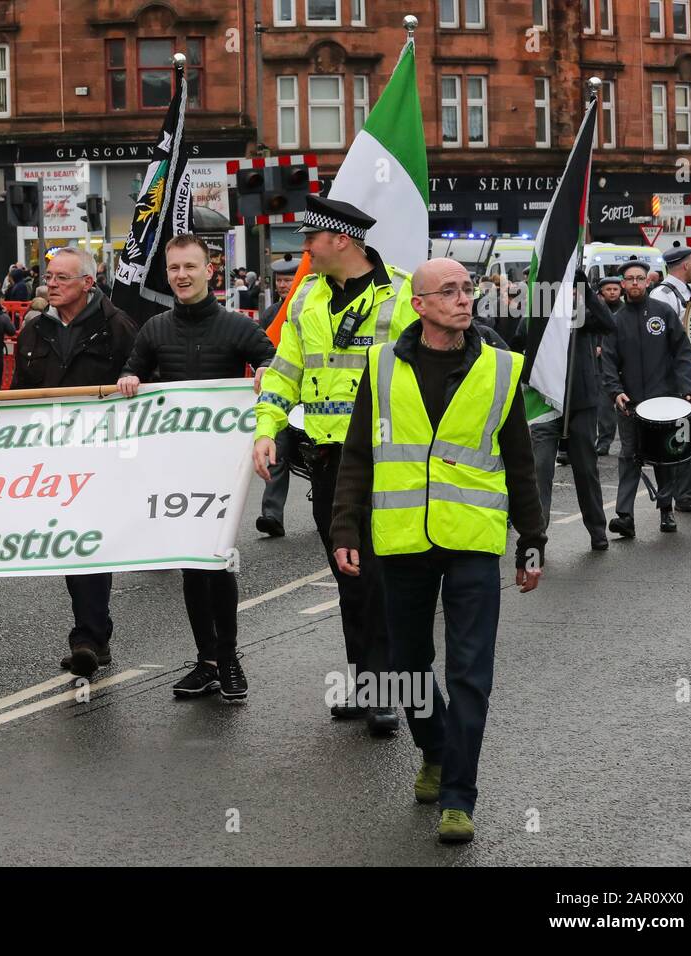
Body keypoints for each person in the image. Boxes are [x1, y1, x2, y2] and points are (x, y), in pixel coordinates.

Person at [330, 256, 546, 844]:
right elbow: (358, 456)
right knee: (405, 666)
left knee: (471, 672)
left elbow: (521, 464)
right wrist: (345, 531)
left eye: (467, 288)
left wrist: (533, 542)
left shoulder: (500, 368)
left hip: (473, 539)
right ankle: (433, 747)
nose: (462, 298)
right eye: (447, 291)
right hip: (401, 542)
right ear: (419, 305)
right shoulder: (381, 367)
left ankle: (459, 796)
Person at [253, 196, 417, 736]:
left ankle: (385, 689)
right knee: (348, 571)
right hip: (329, 459)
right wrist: (266, 430)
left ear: (341, 239)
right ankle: (367, 681)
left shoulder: (403, 293)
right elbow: (284, 373)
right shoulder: (306, 297)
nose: (304, 248)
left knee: (378, 575)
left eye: (311, 239)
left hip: (388, 458)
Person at [118, 234, 274, 701]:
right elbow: (134, 369)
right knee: (190, 565)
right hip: (174, 467)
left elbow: (271, 358)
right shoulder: (155, 329)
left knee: (217, 562)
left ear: (210, 270)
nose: (181, 276)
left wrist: (267, 368)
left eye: (190, 267)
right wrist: (129, 379)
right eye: (173, 269)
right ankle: (206, 660)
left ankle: (228, 659)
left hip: (221, 471)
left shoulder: (235, 326)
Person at [11, 245, 137, 676]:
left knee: (90, 543)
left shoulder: (117, 328)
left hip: (100, 458)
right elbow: (17, 397)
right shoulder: (33, 330)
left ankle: (88, 637)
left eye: (62, 278)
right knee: (71, 544)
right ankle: (93, 631)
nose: (52, 284)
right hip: (53, 458)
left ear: (88, 281)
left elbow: (143, 383)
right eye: (49, 277)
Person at [602, 259, 691, 535]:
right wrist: (615, 391)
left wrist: (686, 387)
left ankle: (666, 511)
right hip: (630, 403)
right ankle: (625, 517)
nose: (634, 283)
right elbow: (607, 361)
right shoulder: (616, 320)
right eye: (629, 279)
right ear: (622, 285)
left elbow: (682, 353)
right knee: (629, 456)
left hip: (663, 401)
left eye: (639, 278)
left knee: (663, 458)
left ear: (648, 281)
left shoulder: (664, 312)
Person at [528, 270, 615, 551]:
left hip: (580, 401)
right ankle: (537, 536)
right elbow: (519, 336)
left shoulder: (577, 312)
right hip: (545, 400)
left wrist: (585, 290)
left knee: (585, 468)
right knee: (540, 469)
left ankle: (597, 530)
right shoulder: (539, 312)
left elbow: (607, 322)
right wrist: (539, 306)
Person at [651, 246, 691, 509]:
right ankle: (682, 494)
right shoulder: (662, 295)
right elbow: (661, 341)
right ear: (685, 265)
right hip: (678, 373)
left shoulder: (689, 292)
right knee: (684, 433)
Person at [255, 258, 299, 537]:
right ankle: (272, 515)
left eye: (288, 280)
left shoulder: (309, 305)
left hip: (310, 391)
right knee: (277, 451)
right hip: (282, 391)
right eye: (280, 280)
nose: (283, 285)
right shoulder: (270, 313)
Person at [594, 276, 623, 456]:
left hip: (624, 363)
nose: (612, 292)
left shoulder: (626, 310)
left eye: (615, 289)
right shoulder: (596, 311)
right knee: (604, 406)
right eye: (608, 290)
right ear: (601, 292)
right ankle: (604, 441)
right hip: (602, 365)